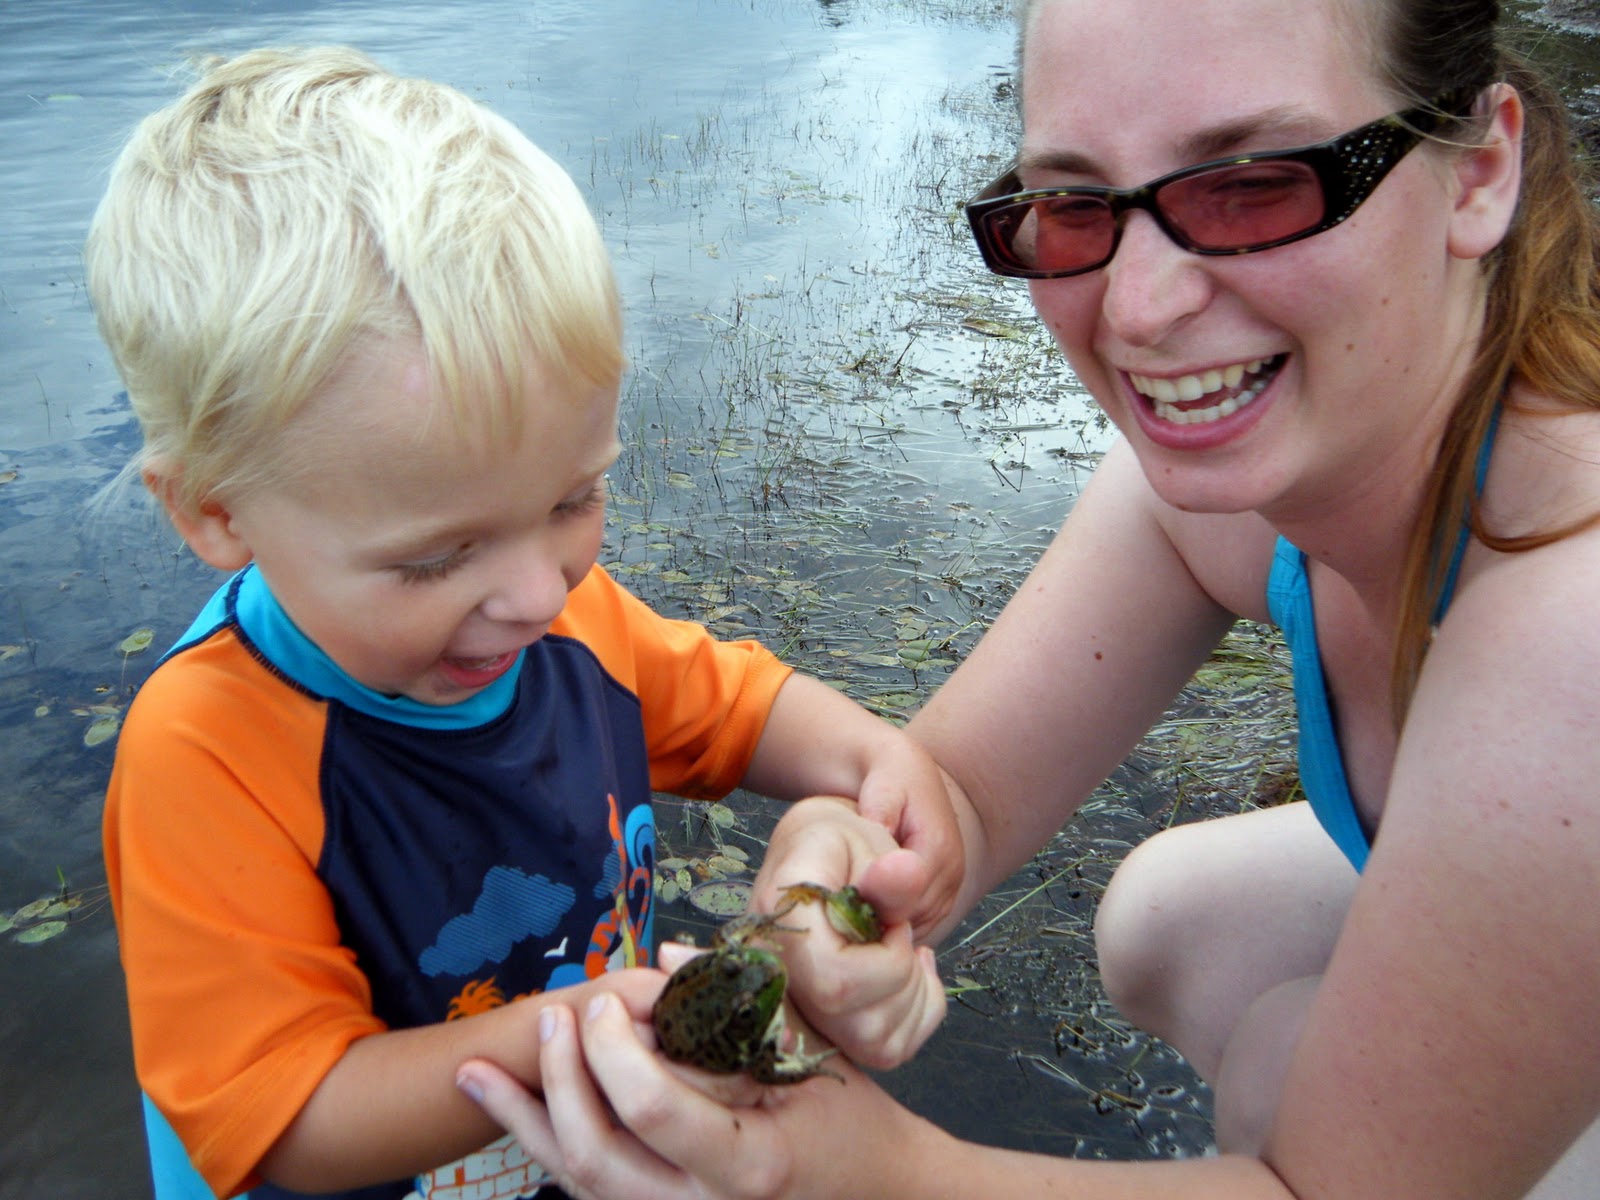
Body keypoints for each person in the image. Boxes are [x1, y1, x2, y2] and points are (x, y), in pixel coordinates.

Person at [451, 0, 1600, 1196]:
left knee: (1288, 1087)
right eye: (1073, 207)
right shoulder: (1232, 493)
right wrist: (829, 867)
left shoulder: (1569, 631)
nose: (1140, 308)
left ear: (1477, 171)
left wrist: (866, 1171)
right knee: (1170, 920)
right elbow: (950, 795)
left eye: (1254, 185)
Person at [88, 46, 958, 1200]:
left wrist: (881, 765)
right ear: (214, 510)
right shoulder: (209, 752)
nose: (537, 596)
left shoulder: (571, 624)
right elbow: (285, 1116)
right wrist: (584, 1032)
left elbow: (744, 713)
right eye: (437, 557)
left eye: (570, 500)